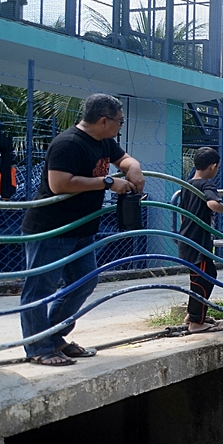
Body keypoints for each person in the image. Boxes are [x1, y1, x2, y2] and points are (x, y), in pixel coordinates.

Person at [19, 93, 144, 366]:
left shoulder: (104, 142)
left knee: (84, 282)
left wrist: (134, 168)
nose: (121, 126)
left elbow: (125, 159)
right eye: (119, 122)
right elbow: (59, 184)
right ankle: (39, 348)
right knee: (40, 289)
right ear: (103, 120)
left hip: (82, 229)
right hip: (52, 228)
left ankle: (55, 336)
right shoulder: (68, 144)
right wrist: (108, 182)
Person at [174, 147, 223, 334]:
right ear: (213, 166)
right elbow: (212, 203)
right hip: (198, 241)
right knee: (203, 278)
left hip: (187, 238)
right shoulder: (206, 184)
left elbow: (182, 212)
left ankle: (194, 315)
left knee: (204, 275)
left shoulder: (187, 184)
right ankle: (196, 322)